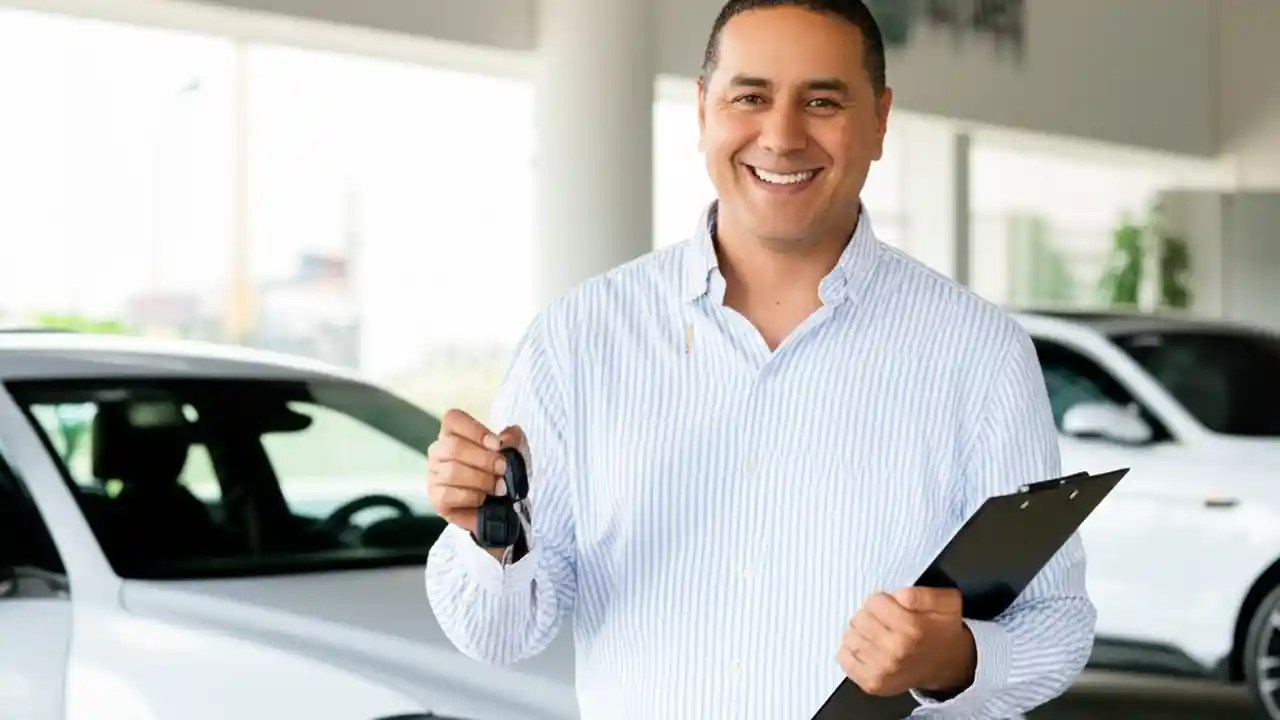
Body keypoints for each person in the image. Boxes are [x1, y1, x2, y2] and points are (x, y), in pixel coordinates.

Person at [424, 1, 1096, 717]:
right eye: (750, 97)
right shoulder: (580, 338)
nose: (781, 135)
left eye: (822, 101)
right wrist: (487, 535)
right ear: (703, 110)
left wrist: (958, 660)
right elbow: (502, 634)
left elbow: (1056, 620)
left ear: (880, 119)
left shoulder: (977, 353)